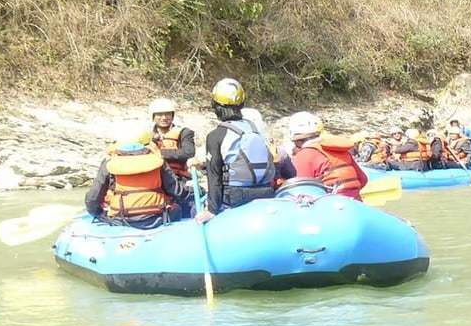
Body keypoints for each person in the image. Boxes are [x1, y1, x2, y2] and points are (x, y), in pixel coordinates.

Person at [195, 78, 276, 223]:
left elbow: (214, 175)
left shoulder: (216, 135)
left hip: (236, 196)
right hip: (266, 192)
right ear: (241, 104)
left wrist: (211, 210)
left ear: (215, 105)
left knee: (193, 210)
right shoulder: (255, 129)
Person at [85, 141, 189, 229]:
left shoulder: (109, 163)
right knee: (178, 209)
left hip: (120, 219)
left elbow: (93, 198)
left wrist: (98, 213)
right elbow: (176, 190)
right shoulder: (157, 161)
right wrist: (196, 192)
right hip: (156, 218)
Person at [288, 111, 368, 200]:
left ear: (297, 140)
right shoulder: (340, 150)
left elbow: (303, 192)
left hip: (331, 205)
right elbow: (363, 179)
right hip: (355, 202)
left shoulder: (303, 156)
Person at [149, 98, 195, 180]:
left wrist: (159, 154)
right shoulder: (147, 135)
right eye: (159, 114)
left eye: (167, 114)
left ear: (172, 116)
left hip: (176, 177)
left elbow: (188, 152)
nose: (164, 118)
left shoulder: (184, 132)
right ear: (153, 116)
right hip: (154, 176)